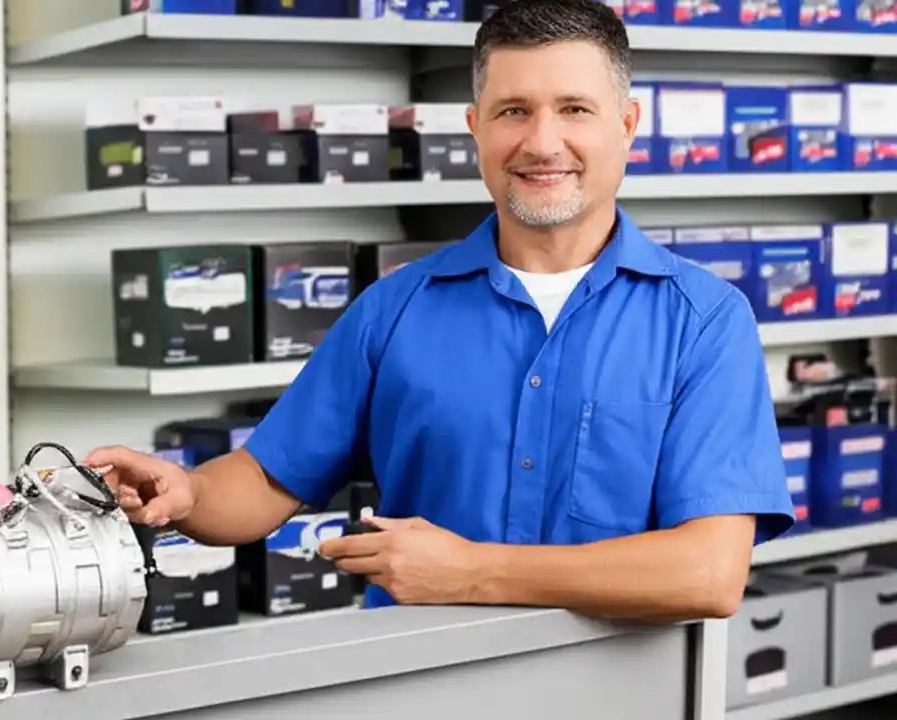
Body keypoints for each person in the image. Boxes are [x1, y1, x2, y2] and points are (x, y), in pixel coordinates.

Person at [86, 0, 794, 623]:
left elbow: (707, 573)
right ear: (474, 129)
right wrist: (189, 492)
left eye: (574, 109)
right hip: (423, 689)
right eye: (513, 111)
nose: (542, 142)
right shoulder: (394, 309)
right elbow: (269, 479)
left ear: (627, 124)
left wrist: (472, 572)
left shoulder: (703, 320)